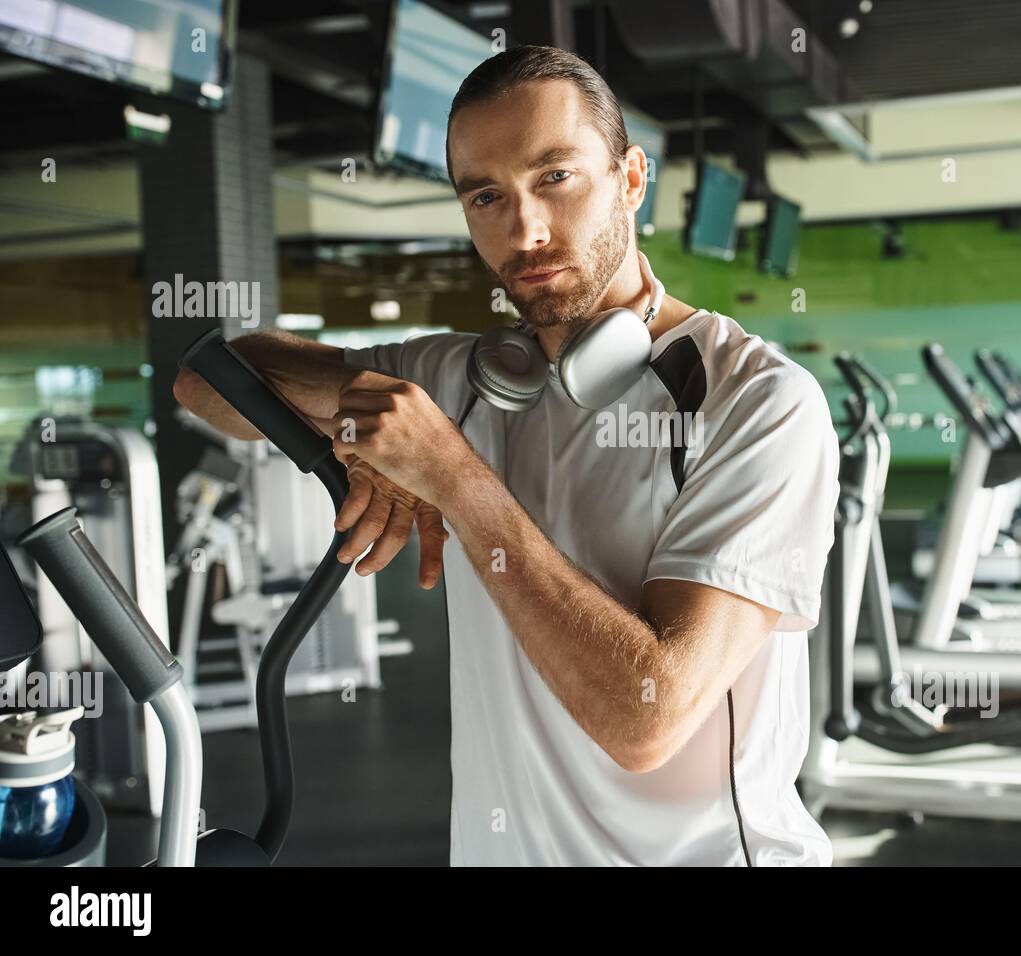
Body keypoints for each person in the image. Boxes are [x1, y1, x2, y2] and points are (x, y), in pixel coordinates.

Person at [174, 44, 838, 866]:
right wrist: (364, 431)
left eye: (555, 177)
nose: (522, 229)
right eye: (486, 195)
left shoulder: (756, 399)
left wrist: (450, 475)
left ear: (632, 180)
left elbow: (649, 718)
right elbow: (208, 382)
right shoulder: (462, 379)